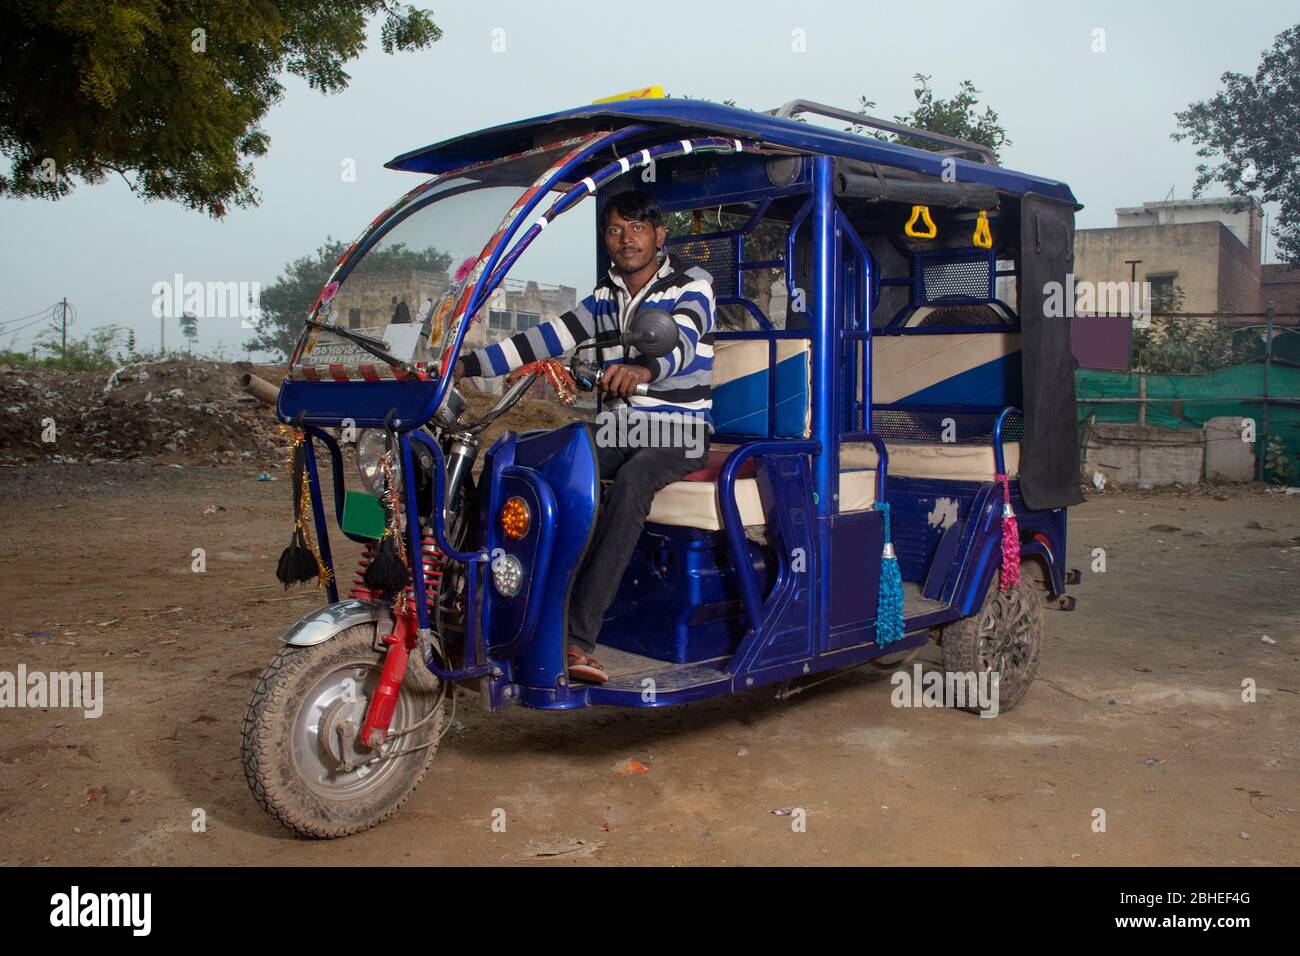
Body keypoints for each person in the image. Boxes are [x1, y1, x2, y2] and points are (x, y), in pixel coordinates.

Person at [454, 191, 715, 683]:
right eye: (616, 230)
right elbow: (541, 339)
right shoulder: (605, 297)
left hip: (681, 430)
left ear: (659, 235)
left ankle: (576, 640)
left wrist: (644, 368)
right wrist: (463, 364)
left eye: (638, 228)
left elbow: (682, 337)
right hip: (621, 427)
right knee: (536, 459)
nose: (626, 239)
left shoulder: (692, 284)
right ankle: (489, 605)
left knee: (636, 481)